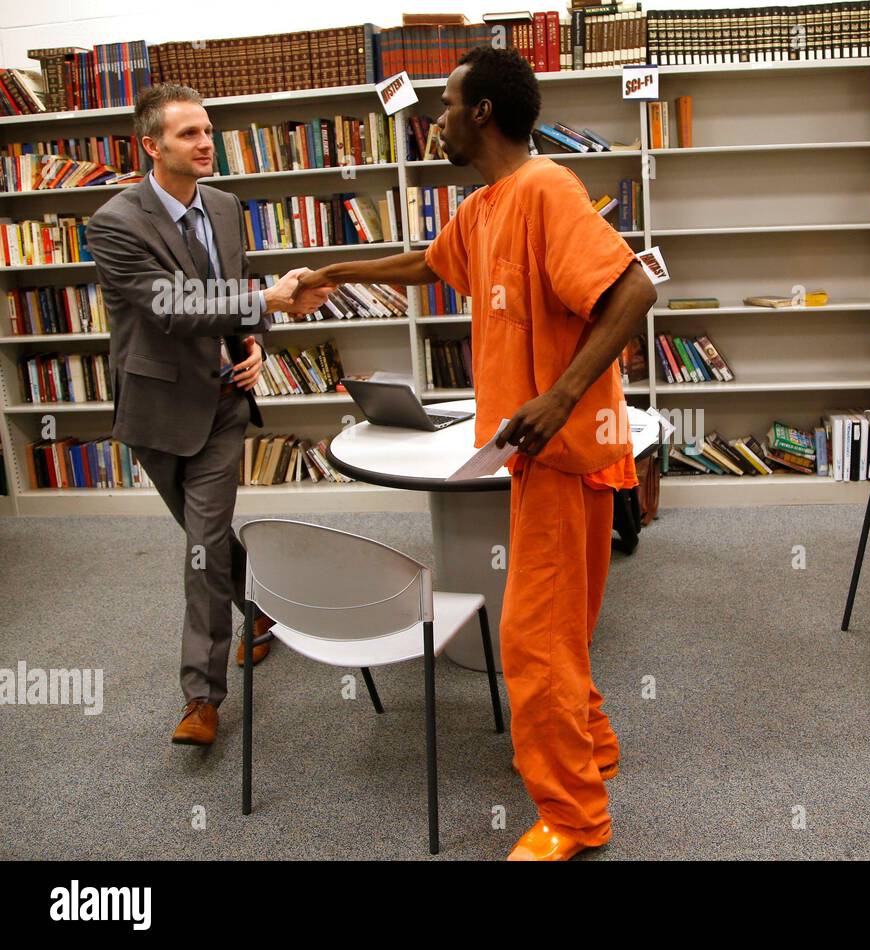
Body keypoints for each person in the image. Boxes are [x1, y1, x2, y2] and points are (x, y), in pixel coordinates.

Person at [291, 46, 657, 860]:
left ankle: (574, 816)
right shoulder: (490, 202)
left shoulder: (545, 189)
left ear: (483, 112)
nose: (438, 118)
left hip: (567, 454)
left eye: (448, 103)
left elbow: (633, 289)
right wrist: (332, 269)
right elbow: (427, 262)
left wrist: (559, 394)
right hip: (542, 455)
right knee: (558, 631)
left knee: (530, 642)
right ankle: (591, 747)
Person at [85, 84, 333, 746]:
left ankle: (201, 696)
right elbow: (171, 305)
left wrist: (256, 345)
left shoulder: (224, 207)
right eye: (189, 133)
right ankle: (260, 609)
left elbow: (237, 291)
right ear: (151, 146)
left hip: (223, 402)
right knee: (211, 540)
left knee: (201, 546)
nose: (205, 143)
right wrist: (266, 303)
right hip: (158, 411)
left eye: (208, 131)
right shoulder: (114, 223)